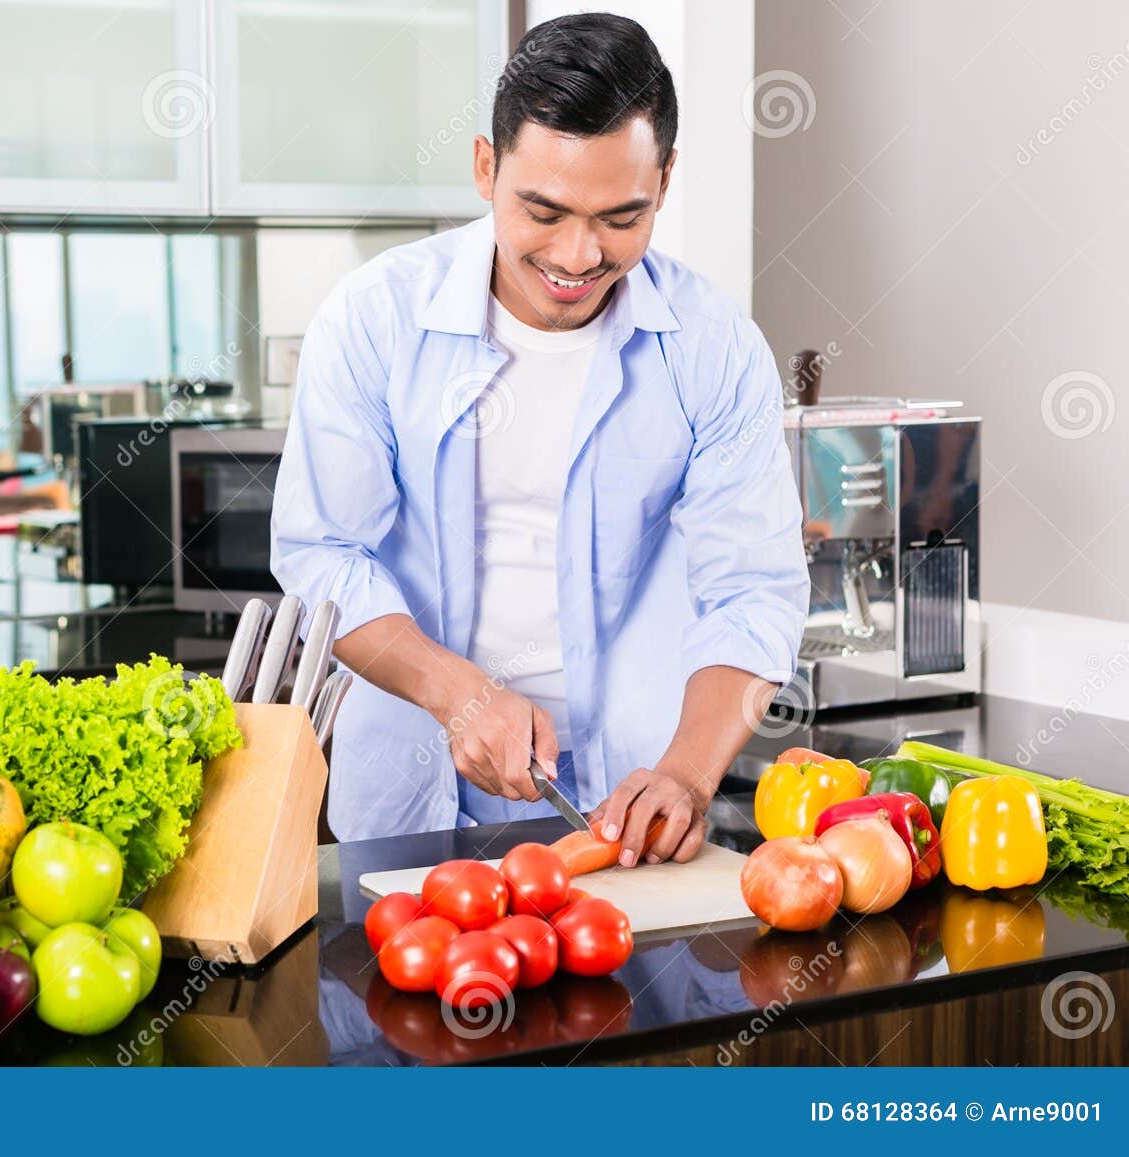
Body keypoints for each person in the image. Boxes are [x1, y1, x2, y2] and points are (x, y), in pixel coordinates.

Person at [270, 13, 809, 864]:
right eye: (544, 210)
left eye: (620, 217)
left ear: (663, 182)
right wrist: (460, 695)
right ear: (486, 166)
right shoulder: (372, 319)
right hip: (410, 801)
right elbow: (325, 554)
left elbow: (754, 592)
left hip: (629, 810)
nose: (578, 254)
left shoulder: (715, 347)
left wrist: (688, 773)